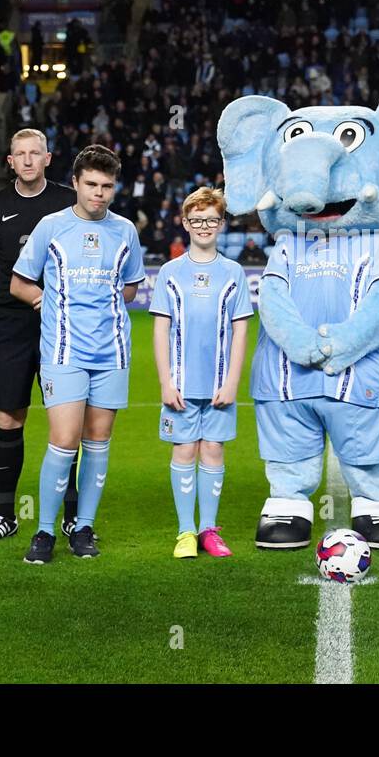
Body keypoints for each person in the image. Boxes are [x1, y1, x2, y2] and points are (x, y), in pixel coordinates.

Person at [10, 145, 145, 564]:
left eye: (107, 186)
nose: (99, 193)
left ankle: (83, 528)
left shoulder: (126, 231)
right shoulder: (51, 227)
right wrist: (46, 301)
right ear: (75, 183)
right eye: (91, 184)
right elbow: (19, 283)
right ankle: (45, 531)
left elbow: (130, 288)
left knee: (98, 441)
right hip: (64, 351)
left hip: (112, 353)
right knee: (64, 440)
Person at [0, 129, 77, 543]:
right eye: (20, 154)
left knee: (67, 421)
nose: (28, 160)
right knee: (9, 416)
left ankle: (72, 516)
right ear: (10, 161)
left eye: (35, 153)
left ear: (48, 158)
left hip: (62, 323)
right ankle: (5, 515)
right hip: (11, 324)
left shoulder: (70, 201)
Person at [151, 187, 253, 559]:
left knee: (212, 450)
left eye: (211, 219)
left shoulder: (233, 272)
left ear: (221, 223)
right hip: (180, 386)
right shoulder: (170, 272)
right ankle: (185, 532)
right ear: (185, 222)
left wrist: (232, 381)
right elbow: (161, 330)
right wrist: (165, 381)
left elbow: (240, 331)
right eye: (197, 220)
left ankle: (209, 531)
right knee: (184, 450)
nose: (204, 226)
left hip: (218, 387)